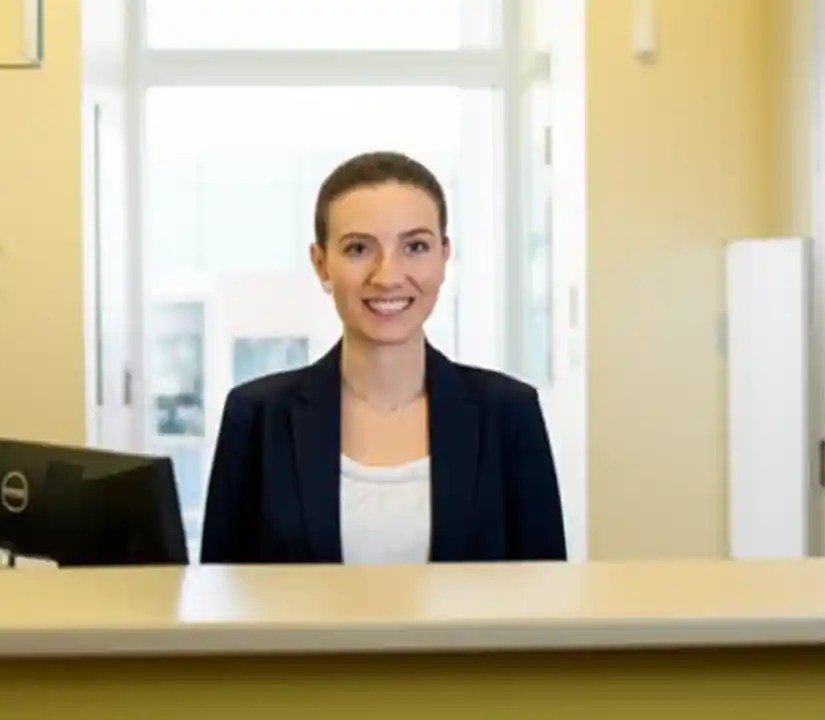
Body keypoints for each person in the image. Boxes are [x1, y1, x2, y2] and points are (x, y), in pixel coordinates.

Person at [200, 151, 566, 565]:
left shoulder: (509, 412)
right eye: (358, 248)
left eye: (415, 246)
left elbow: (544, 589)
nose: (388, 276)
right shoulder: (257, 417)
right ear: (321, 264)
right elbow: (220, 593)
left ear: (444, 257)